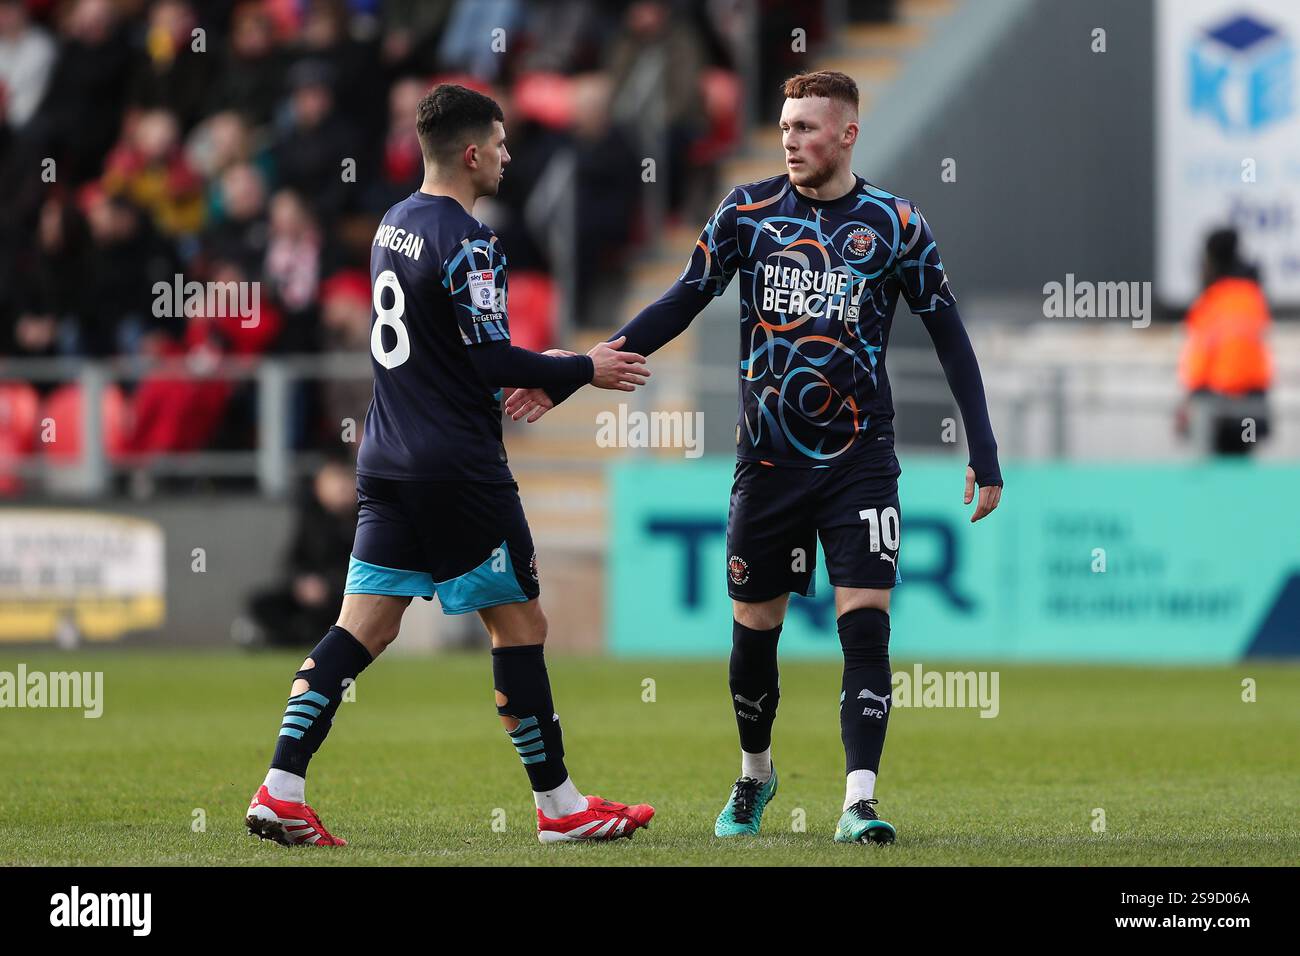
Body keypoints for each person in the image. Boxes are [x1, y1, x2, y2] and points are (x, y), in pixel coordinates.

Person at [507, 70, 1003, 846]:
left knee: (865, 623)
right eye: (784, 127)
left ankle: (859, 801)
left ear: (847, 133)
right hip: (767, 461)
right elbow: (682, 297)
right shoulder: (749, 212)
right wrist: (580, 372)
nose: (791, 140)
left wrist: (985, 447)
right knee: (754, 631)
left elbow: (950, 335)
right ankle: (755, 774)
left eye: (807, 127)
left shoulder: (897, 224)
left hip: (859, 459)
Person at [245, 84, 655, 846]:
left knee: (360, 627)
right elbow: (490, 355)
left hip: (386, 457)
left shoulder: (391, 226)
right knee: (520, 623)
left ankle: (280, 788)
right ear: (471, 153)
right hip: (457, 466)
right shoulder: (471, 239)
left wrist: (532, 367)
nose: (507, 155)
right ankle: (561, 810)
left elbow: (453, 348)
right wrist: (580, 367)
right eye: (499, 144)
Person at [1177, 228, 1272, 456]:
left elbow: (1199, 360)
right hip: (1251, 407)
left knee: (1214, 474)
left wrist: (1189, 402)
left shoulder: (1212, 301)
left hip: (1215, 408)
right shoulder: (1253, 296)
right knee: (1243, 462)